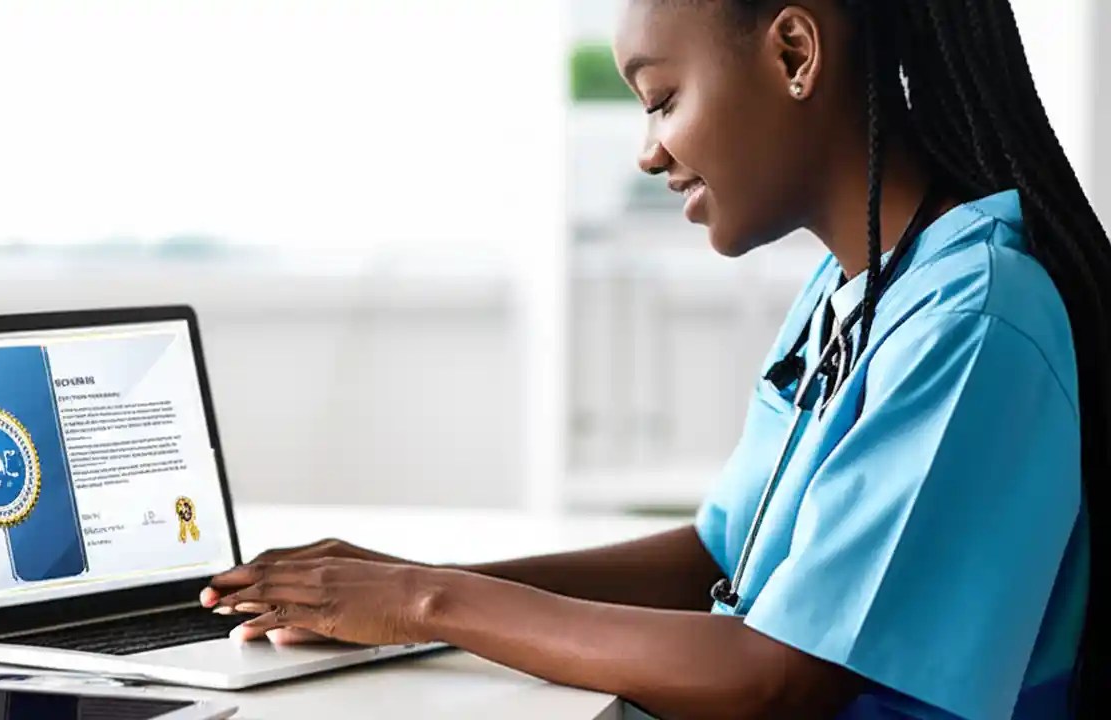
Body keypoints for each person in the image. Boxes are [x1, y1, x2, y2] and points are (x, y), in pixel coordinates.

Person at [200, 1, 1107, 717]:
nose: (648, 151)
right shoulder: (856, 290)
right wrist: (396, 587)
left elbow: (776, 679)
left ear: (795, 53)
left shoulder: (976, 320)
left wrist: (425, 605)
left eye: (663, 99)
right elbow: (715, 556)